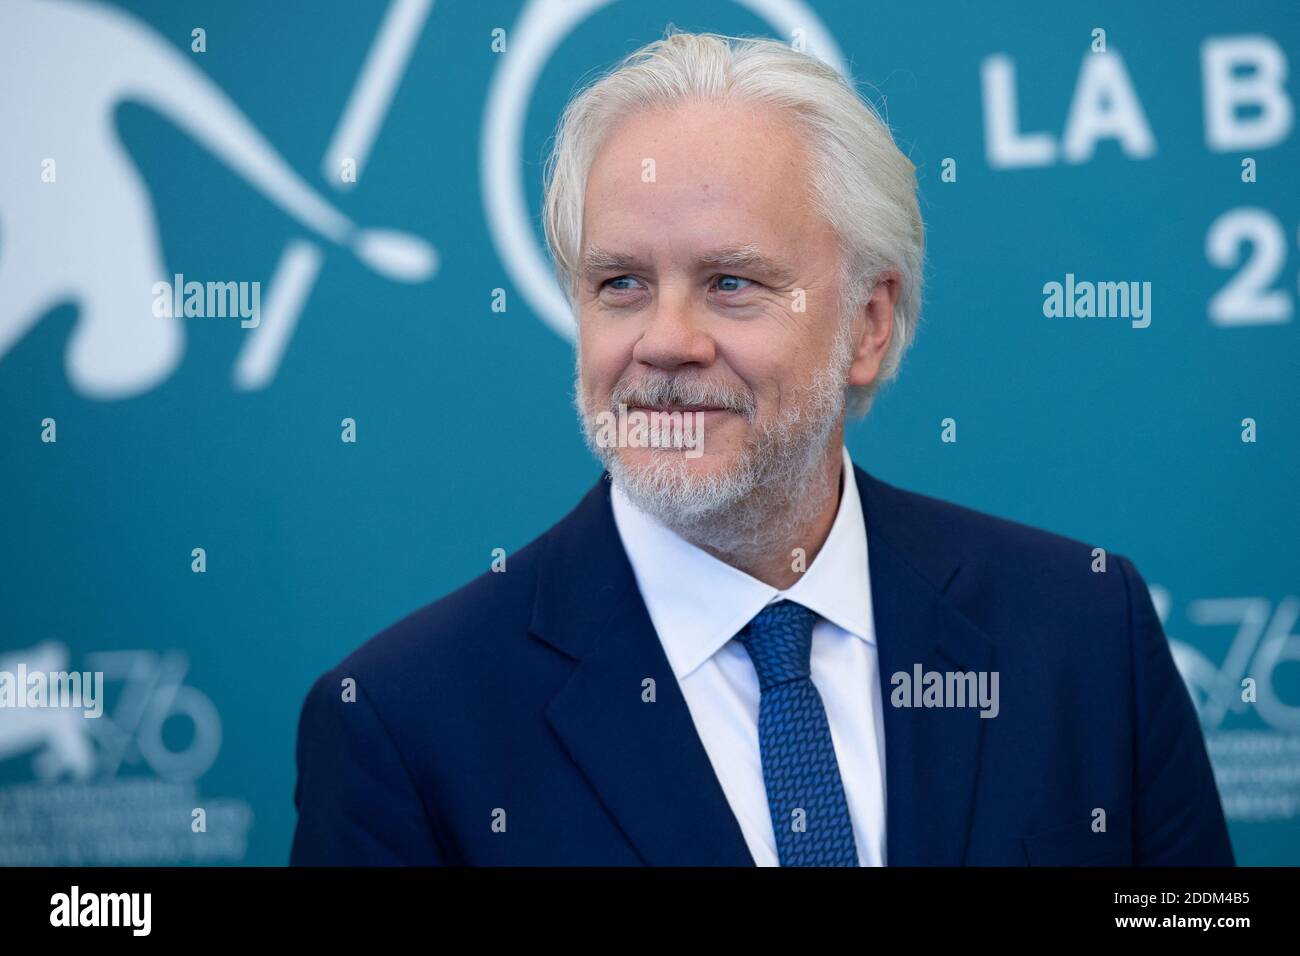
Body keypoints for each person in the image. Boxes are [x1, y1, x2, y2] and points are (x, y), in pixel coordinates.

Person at [290, 30, 1233, 866]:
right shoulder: (405, 722)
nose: (664, 341)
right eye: (620, 282)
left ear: (868, 325)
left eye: (732, 282)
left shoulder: (1082, 631)